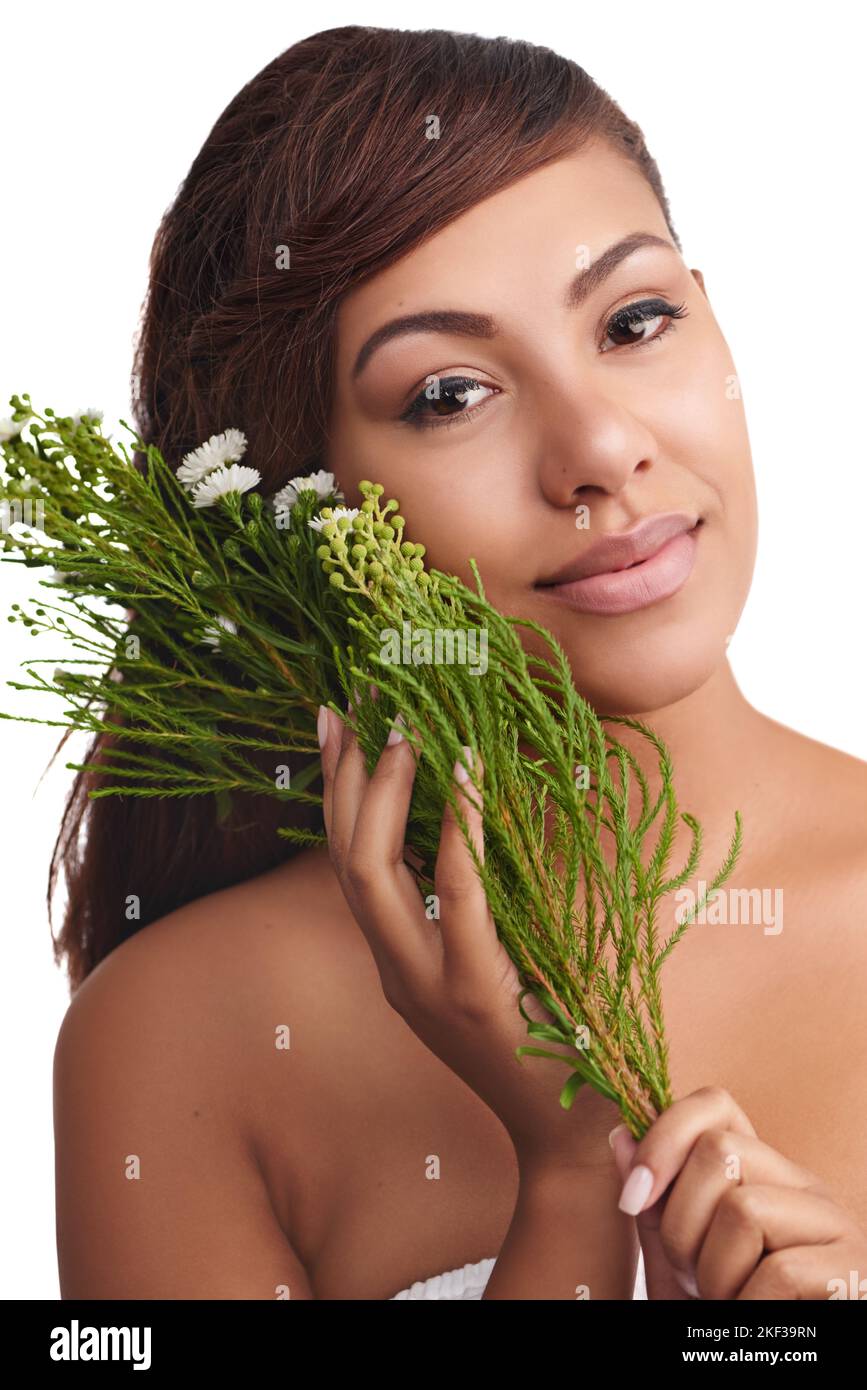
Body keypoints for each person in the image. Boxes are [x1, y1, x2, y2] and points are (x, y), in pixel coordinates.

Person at [51, 24, 867, 1301]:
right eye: (449, 395)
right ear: (305, 524)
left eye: (636, 319)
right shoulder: (182, 1037)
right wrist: (562, 1181)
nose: (599, 445)